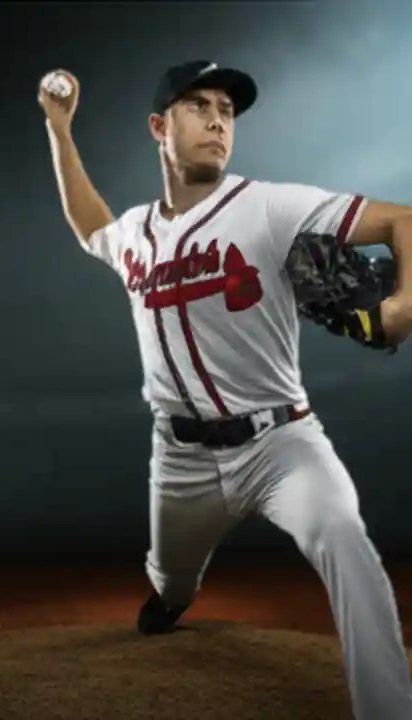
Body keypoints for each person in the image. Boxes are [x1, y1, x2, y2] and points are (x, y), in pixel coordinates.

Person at [38, 60, 412, 718]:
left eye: (227, 111)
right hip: (180, 461)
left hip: (281, 445)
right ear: (160, 126)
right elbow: (88, 223)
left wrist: (404, 305)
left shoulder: (268, 206)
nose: (217, 119)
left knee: (343, 536)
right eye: (199, 106)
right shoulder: (138, 236)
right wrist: (59, 130)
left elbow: (403, 220)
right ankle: (171, 597)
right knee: (172, 579)